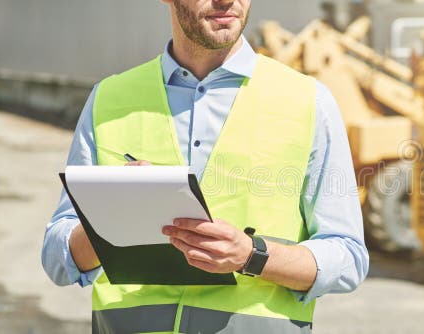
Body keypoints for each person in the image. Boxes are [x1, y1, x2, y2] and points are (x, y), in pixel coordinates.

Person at [41, 0, 369, 332]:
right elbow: (57, 257)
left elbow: (347, 257)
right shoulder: (108, 100)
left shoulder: (309, 102)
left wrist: (251, 256)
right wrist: (110, 217)